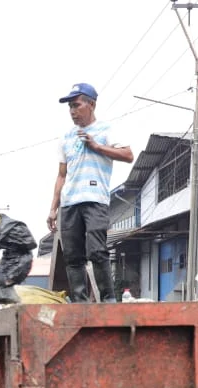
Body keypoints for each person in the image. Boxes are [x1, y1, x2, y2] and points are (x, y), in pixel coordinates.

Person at [46, 83, 133, 302]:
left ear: (91, 104)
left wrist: (97, 147)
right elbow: (61, 175)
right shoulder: (66, 138)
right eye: (70, 107)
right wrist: (53, 208)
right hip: (69, 203)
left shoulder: (106, 130)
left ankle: (108, 299)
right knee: (73, 256)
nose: (72, 111)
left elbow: (128, 155)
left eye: (76, 105)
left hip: (95, 200)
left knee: (96, 251)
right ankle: (80, 302)